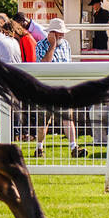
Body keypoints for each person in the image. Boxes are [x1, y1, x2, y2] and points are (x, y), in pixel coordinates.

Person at [33, 18, 87, 158]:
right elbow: (44, 64)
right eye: (59, 33)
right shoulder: (40, 45)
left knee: (67, 118)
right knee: (43, 121)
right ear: (52, 33)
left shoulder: (66, 45)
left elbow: (67, 65)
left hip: (63, 87)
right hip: (46, 89)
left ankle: (74, 147)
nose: (62, 35)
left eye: (62, 33)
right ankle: (39, 147)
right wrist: (52, 45)